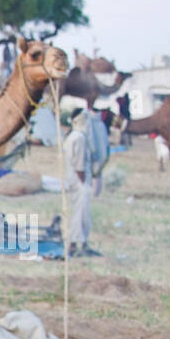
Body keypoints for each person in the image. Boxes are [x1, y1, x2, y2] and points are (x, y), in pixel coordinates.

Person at [63, 109, 93, 257]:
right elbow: (79, 163)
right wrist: (84, 183)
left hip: (73, 179)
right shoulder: (79, 137)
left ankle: (81, 242)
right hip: (79, 180)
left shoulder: (73, 136)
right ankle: (75, 243)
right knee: (80, 214)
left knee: (80, 212)